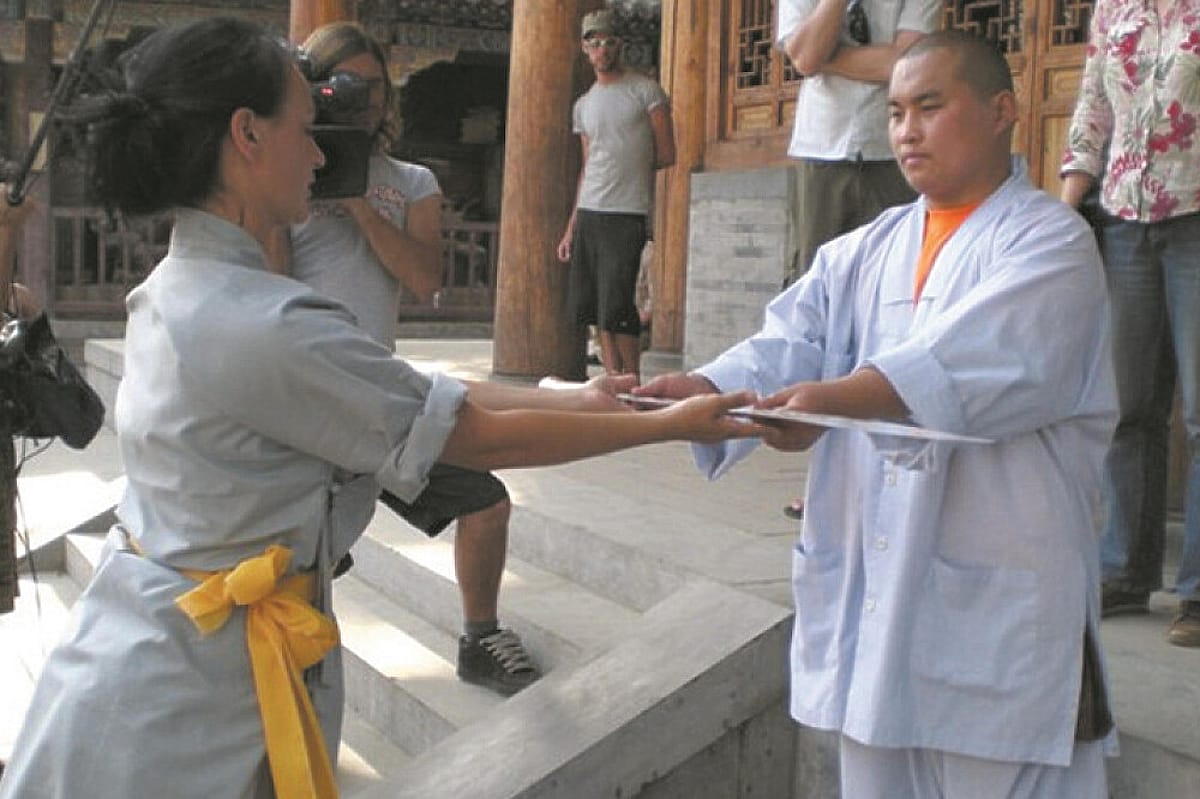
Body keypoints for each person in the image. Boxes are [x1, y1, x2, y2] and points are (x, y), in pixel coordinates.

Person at [0, 18, 765, 799]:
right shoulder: (259, 321)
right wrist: (659, 426)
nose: (324, 154)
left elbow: (411, 391)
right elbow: (466, 432)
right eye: (308, 127)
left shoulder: (180, 289)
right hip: (182, 701)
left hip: (158, 652)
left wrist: (597, 397)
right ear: (247, 135)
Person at [638, 31, 1117, 796]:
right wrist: (707, 384)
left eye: (930, 106)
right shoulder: (864, 248)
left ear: (1001, 111)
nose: (906, 130)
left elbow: (970, 362)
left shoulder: (1050, 241)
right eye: (894, 111)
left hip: (999, 613)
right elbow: (790, 341)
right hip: (877, 605)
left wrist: (825, 402)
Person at [276, 20, 540, 696]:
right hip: (306, 397)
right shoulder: (284, 176)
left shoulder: (412, 182)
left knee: (484, 499)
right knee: (299, 556)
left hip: (382, 398)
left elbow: (424, 278)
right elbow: (267, 286)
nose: (359, 101)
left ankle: (481, 636)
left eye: (372, 88)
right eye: (343, 86)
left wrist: (360, 202)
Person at [1060, 0, 1200, 647]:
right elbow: (1094, 101)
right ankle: (1123, 568)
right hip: (1124, 215)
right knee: (1129, 407)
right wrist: (1068, 205)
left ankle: (1198, 592)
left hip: (1196, 212)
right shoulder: (1113, 6)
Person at [774, 0, 939, 523]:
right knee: (822, 316)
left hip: (891, 155)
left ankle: (891, 472)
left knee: (897, 309)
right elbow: (802, 57)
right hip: (822, 153)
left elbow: (910, 65)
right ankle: (822, 479)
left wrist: (831, 56)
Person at [556, 8, 675, 381]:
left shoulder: (645, 91)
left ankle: (633, 381)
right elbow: (587, 166)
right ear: (584, 48)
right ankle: (612, 379)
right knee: (595, 307)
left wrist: (631, 169)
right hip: (591, 210)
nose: (601, 48)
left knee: (619, 301)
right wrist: (571, 227)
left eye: (608, 41)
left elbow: (667, 152)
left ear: (619, 45)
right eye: (594, 42)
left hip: (626, 212)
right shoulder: (584, 104)